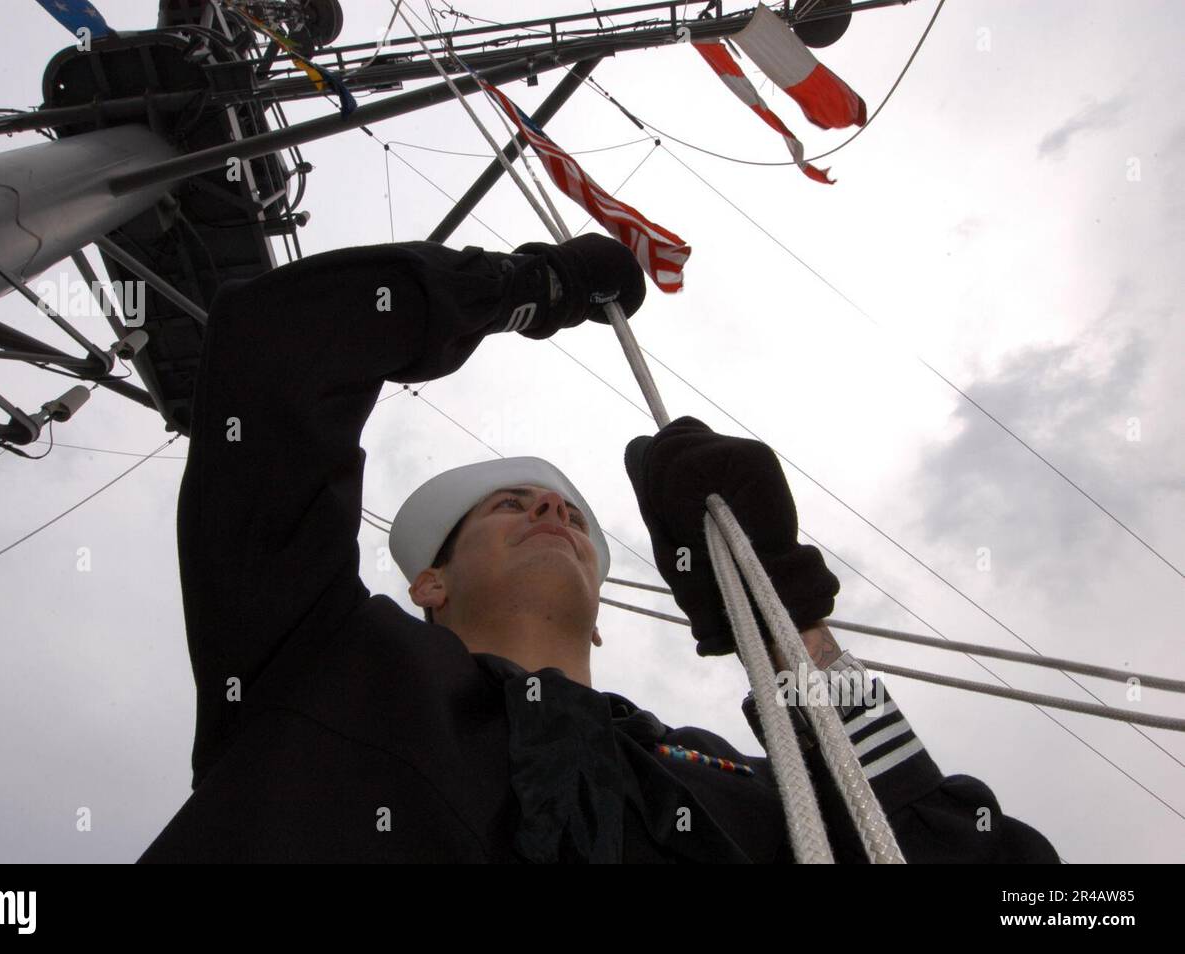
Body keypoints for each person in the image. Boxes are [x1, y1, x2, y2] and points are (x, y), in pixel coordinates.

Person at [138, 234, 1059, 863]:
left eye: (570, 511)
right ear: (430, 582)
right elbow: (277, 344)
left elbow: (961, 853)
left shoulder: (730, 781)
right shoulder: (319, 654)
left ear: (609, 616)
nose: (551, 506)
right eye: (509, 505)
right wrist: (527, 288)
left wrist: (788, 615)